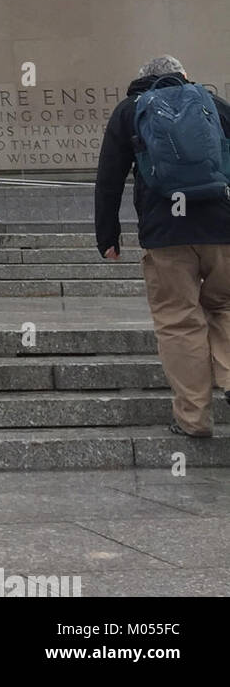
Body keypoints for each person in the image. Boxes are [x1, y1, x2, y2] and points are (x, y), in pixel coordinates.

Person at [96, 55, 230, 439]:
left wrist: (107, 235)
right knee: (225, 306)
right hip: (223, 227)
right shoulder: (212, 104)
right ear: (183, 76)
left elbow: (109, 178)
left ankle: (194, 419)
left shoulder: (130, 112)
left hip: (166, 232)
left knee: (179, 321)